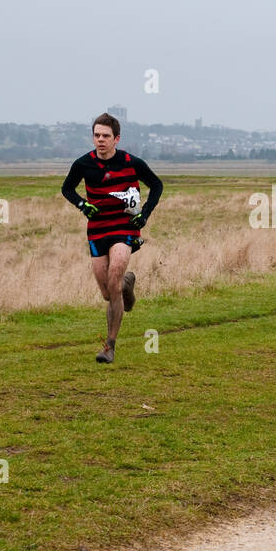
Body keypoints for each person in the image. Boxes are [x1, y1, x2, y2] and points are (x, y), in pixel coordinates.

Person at [61, 113, 163, 364]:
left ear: (116, 138)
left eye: (106, 136)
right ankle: (127, 285)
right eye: (97, 135)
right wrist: (83, 205)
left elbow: (157, 185)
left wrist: (145, 215)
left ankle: (109, 346)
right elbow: (66, 188)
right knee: (109, 292)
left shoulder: (131, 162)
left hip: (124, 227)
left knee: (114, 272)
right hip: (97, 229)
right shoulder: (82, 164)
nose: (100, 140)